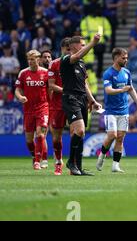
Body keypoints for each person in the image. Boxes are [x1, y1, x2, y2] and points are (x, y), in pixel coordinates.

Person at [61, 35, 103, 176]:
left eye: (85, 44)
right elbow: (77, 55)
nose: (84, 47)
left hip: (82, 99)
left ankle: (77, 168)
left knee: (81, 134)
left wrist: (92, 100)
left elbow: (85, 84)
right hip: (70, 98)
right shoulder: (66, 59)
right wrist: (92, 43)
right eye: (82, 45)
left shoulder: (82, 64)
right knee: (79, 131)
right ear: (73, 47)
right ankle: (70, 162)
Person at [96, 48, 137, 173]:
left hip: (124, 111)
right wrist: (122, 90)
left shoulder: (126, 72)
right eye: (123, 58)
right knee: (112, 135)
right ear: (116, 58)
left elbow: (131, 89)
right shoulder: (108, 73)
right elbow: (108, 90)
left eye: (126, 58)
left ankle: (115, 165)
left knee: (120, 137)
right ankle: (102, 155)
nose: (126, 60)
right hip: (111, 110)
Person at [14, 50, 49, 170]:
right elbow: (17, 90)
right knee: (29, 140)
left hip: (43, 108)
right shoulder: (23, 73)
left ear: (38, 60)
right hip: (28, 110)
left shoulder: (45, 73)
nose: (30, 61)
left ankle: (40, 160)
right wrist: (20, 97)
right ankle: (35, 156)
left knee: (40, 134)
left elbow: (51, 89)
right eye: (29, 59)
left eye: (33, 59)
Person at [47, 38, 70, 175]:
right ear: (62, 49)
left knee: (77, 133)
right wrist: (65, 90)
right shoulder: (54, 64)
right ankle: (58, 161)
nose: (69, 51)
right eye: (67, 49)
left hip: (73, 103)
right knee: (56, 137)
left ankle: (74, 164)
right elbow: (51, 85)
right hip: (58, 105)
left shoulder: (77, 62)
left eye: (71, 49)